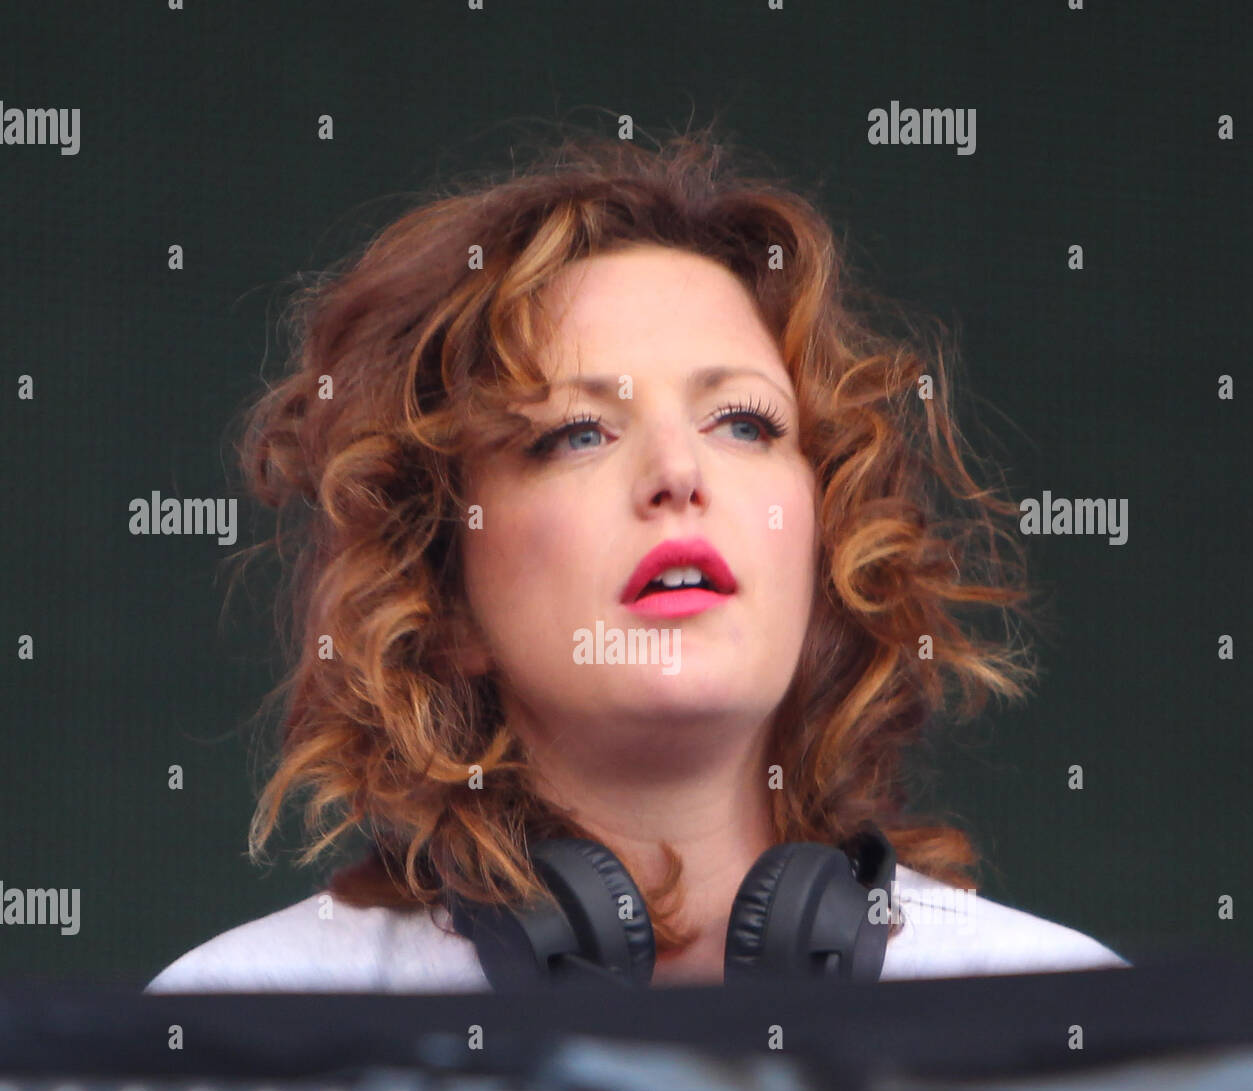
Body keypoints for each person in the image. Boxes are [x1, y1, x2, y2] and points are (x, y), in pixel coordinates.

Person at [146, 128, 1127, 995]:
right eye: (577, 432)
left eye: (742, 421)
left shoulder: (1066, 1016)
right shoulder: (243, 1019)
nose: (675, 473)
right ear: (440, 599)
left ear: (829, 550)